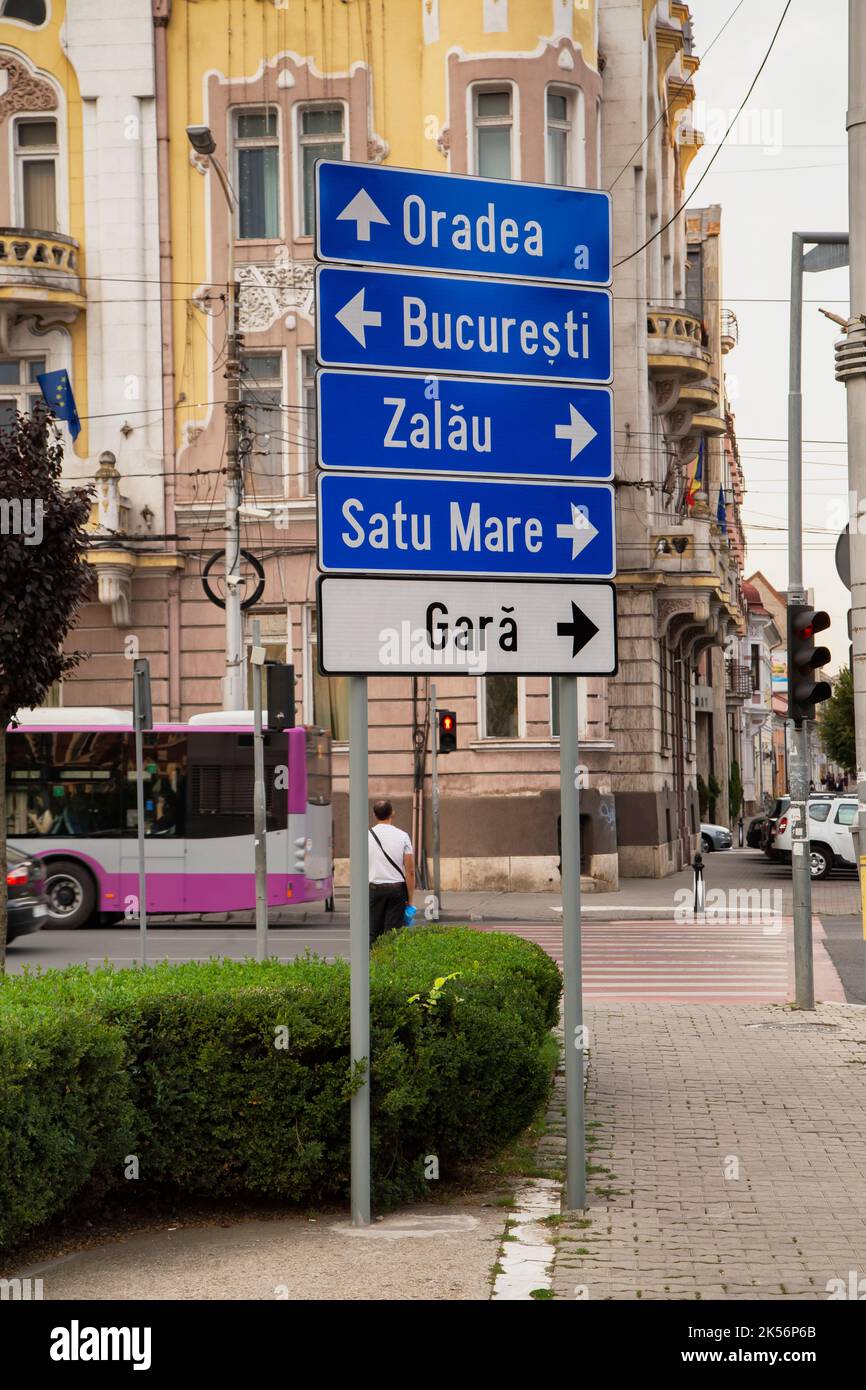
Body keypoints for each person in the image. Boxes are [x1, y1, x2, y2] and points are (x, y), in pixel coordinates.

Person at [368, 799, 415, 945]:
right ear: (392, 813)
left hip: (374, 889)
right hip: (397, 890)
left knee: (373, 932)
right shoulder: (403, 836)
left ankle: (372, 964)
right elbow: (410, 870)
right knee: (392, 933)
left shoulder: (366, 836)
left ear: (375, 815)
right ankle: (388, 964)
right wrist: (410, 899)